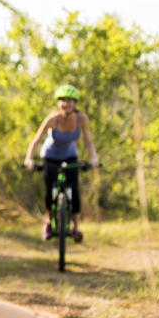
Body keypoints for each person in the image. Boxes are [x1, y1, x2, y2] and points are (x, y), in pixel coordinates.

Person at [24, 85, 100, 242]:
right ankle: (49, 224)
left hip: (70, 156)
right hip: (50, 156)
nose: (67, 104)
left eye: (71, 101)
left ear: (75, 103)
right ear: (58, 103)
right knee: (49, 191)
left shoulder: (81, 119)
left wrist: (93, 158)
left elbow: (88, 141)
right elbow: (36, 140)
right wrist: (29, 159)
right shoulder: (53, 119)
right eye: (63, 101)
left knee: (75, 190)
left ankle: (75, 227)